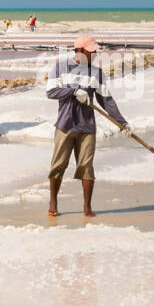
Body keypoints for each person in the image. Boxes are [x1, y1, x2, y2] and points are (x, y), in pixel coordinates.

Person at [45, 34, 130, 218]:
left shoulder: (97, 72)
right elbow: (51, 92)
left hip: (87, 127)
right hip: (65, 125)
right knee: (58, 165)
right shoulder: (61, 68)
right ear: (80, 51)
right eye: (91, 51)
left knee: (86, 167)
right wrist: (74, 91)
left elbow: (106, 100)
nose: (95, 54)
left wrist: (122, 123)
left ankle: (87, 207)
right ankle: (53, 201)